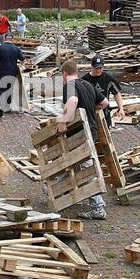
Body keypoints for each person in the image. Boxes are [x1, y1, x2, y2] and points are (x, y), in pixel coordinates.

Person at [58, 61, 110, 221]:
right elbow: (104, 103)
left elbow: (73, 101)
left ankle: (98, 207)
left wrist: (63, 121)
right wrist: (89, 111)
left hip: (79, 133)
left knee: (86, 168)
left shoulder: (70, 86)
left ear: (65, 74)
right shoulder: (87, 84)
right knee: (74, 163)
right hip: (91, 131)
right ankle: (58, 189)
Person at [0, 31, 25, 118]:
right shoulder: (16, 49)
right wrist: (21, 66)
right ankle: (7, 107)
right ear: (12, 39)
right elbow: (23, 60)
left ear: (5, 39)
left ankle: (1, 105)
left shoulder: (0, 47)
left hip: (2, 72)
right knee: (9, 88)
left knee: (1, 89)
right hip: (12, 72)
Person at [81, 56, 124, 129]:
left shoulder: (108, 79)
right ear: (92, 66)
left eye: (100, 68)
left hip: (105, 113)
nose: (98, 70)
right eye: (96, 68)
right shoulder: (84, 80)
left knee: (105, 133)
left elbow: (117, 93)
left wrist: (121, 108)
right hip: (90, 114)